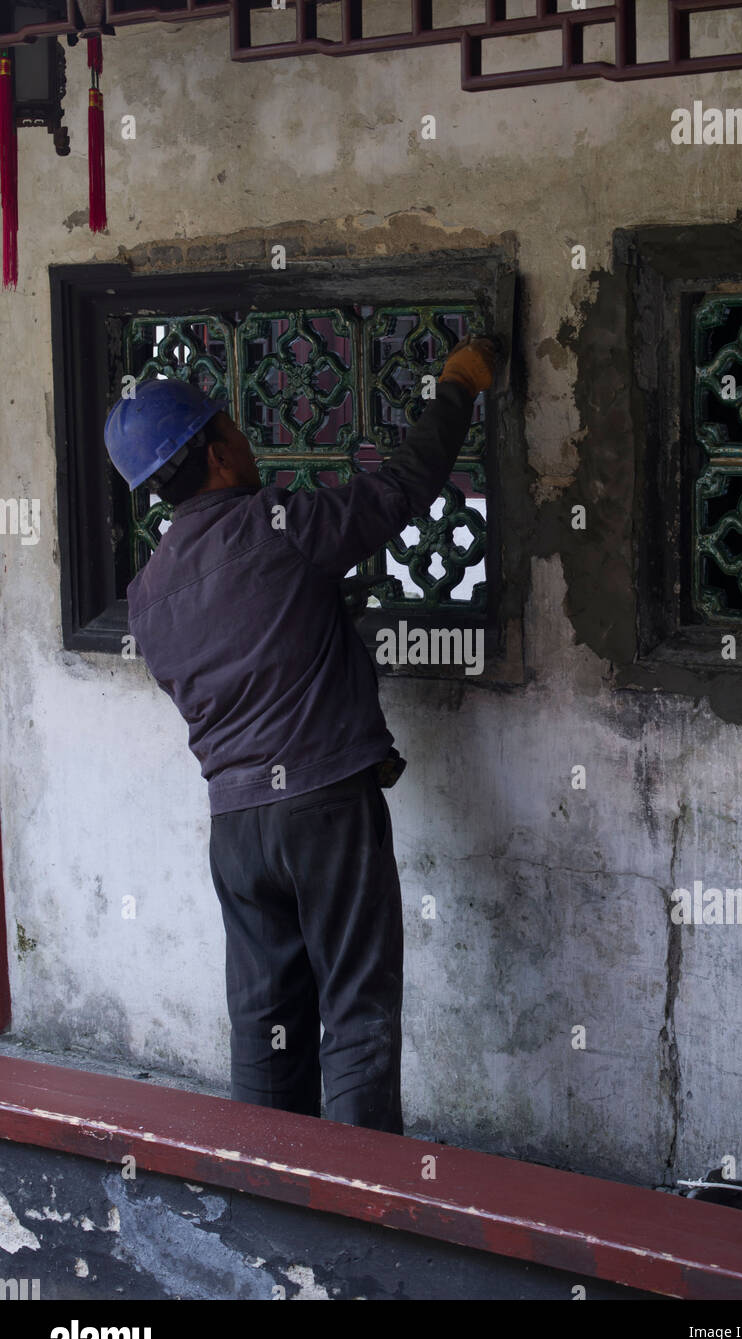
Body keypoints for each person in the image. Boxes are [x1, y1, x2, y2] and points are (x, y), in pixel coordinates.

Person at [104, 332, 500, 1133]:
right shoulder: (277, 526)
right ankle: (360, 1218)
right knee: (354, 1009)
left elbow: (247, 651)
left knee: (265, 1023)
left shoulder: (146, 595)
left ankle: (269, 1207)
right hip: (323, 807)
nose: (247, 441)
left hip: (236, 827)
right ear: (217, 451)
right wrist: (456, 385)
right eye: (234, 427)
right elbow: (400, 488)